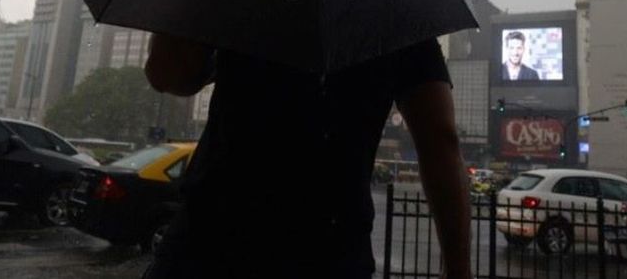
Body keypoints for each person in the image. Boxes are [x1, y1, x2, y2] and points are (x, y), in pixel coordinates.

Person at [143, 33, 472, 279]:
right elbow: (440, 140)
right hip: (333, 248)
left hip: (213, 238)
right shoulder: (395, 2)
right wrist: (458, 270)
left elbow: (165, 73)